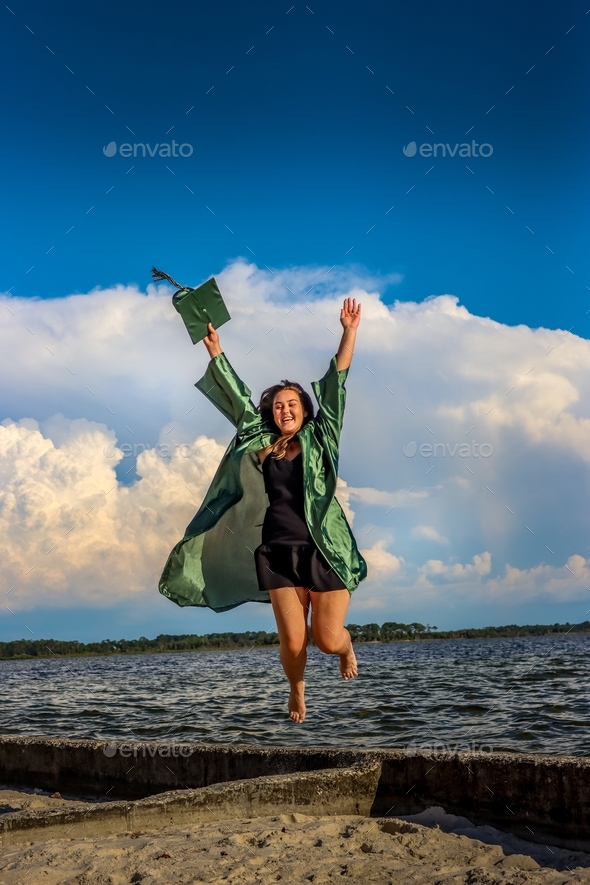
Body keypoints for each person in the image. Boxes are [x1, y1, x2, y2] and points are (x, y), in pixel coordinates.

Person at [158, 298, 367, 723]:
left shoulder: (322, 435)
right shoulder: (261, 442)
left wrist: (348, 333)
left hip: (325, 549)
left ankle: (345, 646)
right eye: (277, 406)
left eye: (292, 404)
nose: (284, 410)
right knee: (293, 643)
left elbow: (337, 381)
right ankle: (296, 689)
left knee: (324, 638)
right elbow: (237, 399)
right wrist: (214, 348)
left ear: (305, 410)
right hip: (277, 550)